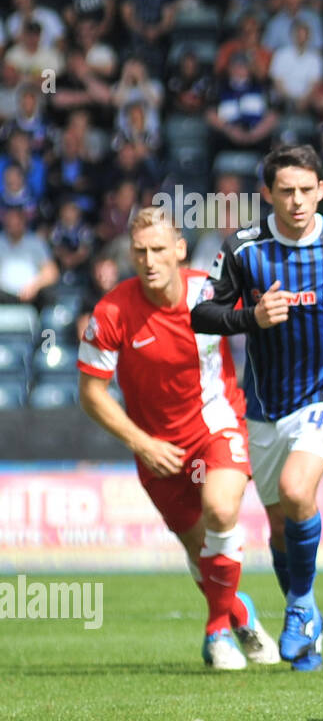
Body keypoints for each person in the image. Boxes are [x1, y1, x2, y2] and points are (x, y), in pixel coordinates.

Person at [190, 144, 323, 671]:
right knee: (279, 525)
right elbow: (202, 314)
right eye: (286, 191)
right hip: (266, 400)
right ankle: (306, 623)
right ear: (268, 194)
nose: (298, 200)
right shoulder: (243, 249)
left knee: (295, 488)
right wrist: (251, 318)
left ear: (322, 190)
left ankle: (302, 605)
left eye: (307, 190)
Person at [77, 207, 280, 670]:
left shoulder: (210, 292)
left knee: (223, 510)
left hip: (217, 427)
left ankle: (216, 635)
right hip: (157, 452)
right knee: (200, 555)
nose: (149, 261)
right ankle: (241, 616)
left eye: (159, 250)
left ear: (180, 250)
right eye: (140, 251)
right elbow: (91, 394)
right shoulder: (111, 311)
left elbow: (260, 321)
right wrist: (142, 443)